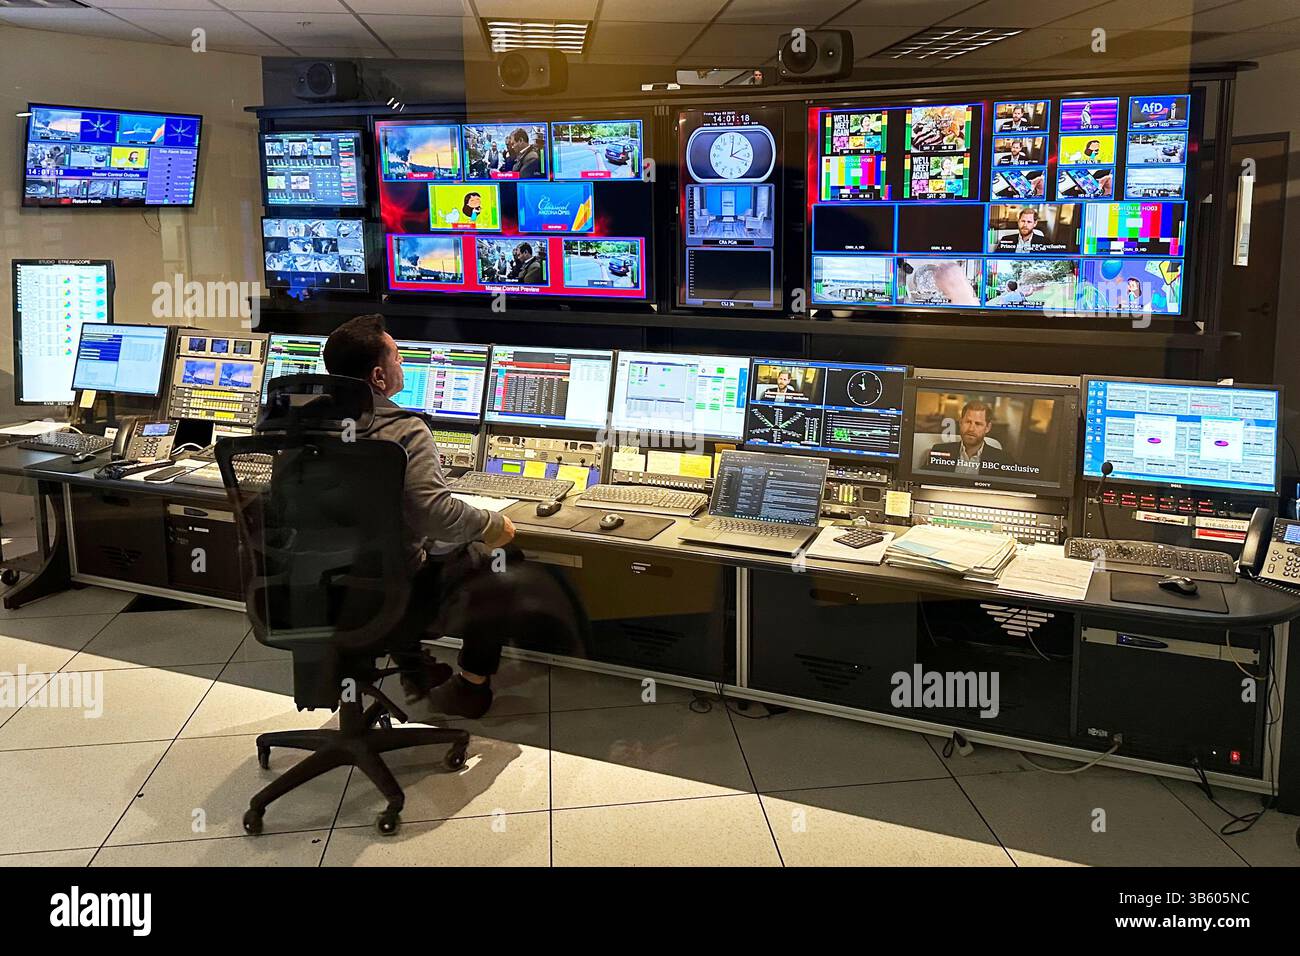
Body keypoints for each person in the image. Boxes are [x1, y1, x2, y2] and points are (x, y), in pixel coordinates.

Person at [322, 314, 516, 718]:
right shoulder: (404, 429)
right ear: (378, 375)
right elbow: (435, 514)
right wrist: (490, 524)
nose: (403, 365)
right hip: (391, 593)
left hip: (312, 592)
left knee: (407, 553)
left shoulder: (302, 422)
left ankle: (412, 663)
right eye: (397, 357)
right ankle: (471, 685)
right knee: (502, 560)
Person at [928, 401, 1008, 474]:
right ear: (960, 423)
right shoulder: (939, 451)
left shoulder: (1003, 460)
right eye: (968, 422)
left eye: (978, 424)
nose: (971, 429)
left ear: (987, 427)